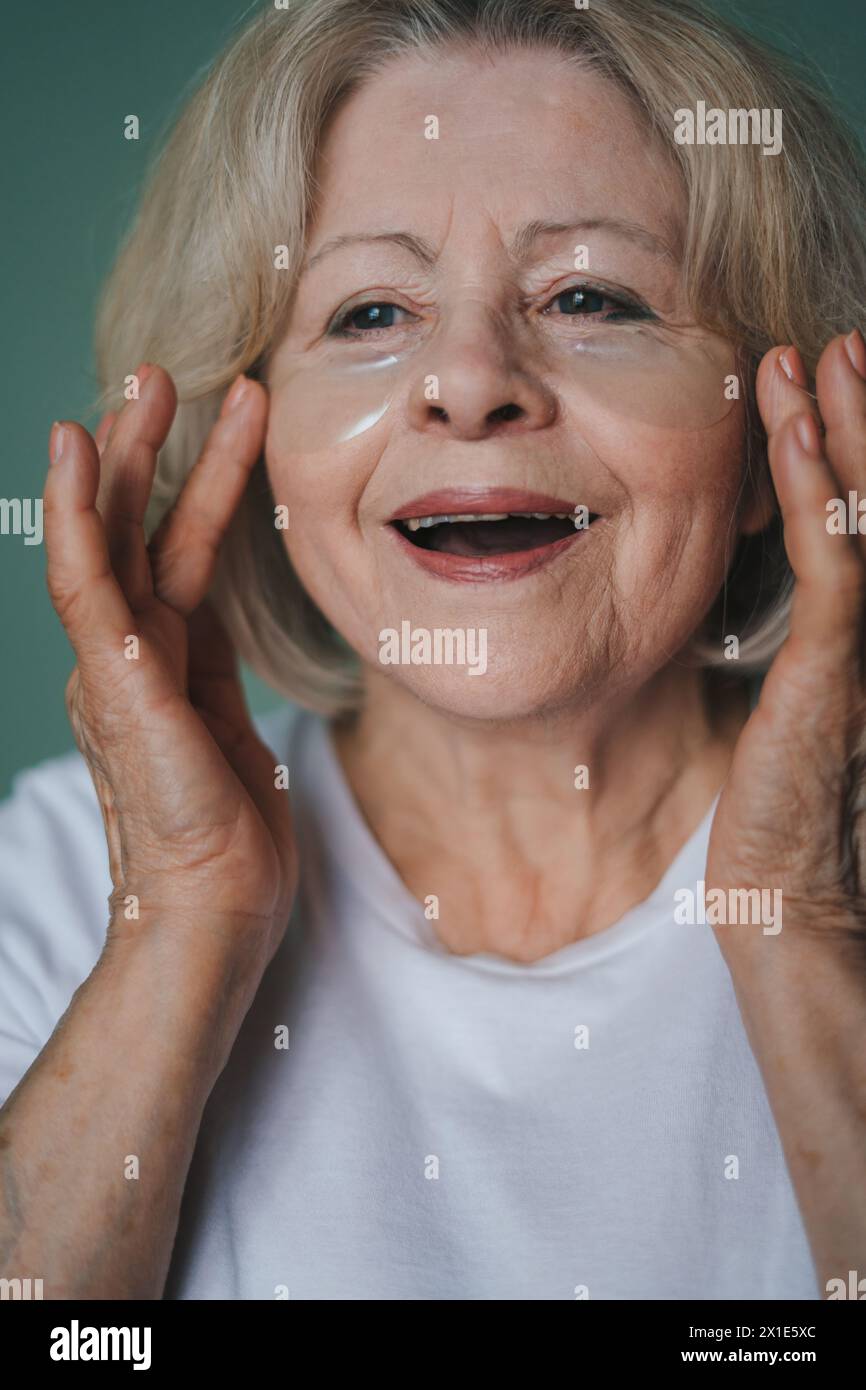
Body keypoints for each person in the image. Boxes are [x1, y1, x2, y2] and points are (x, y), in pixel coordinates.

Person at [2, 0, 865, 1301]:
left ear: (771, 438)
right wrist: (177, 921)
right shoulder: (62, 879)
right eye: (367, 314)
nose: (467, 380)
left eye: (589, 295)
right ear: (253, 449)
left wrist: (799, 924)